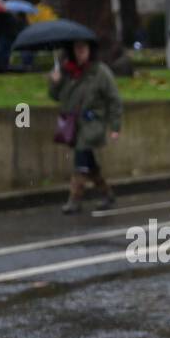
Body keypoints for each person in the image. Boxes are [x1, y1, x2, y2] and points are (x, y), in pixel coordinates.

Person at [49, 38, 122, 215]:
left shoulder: (100, 72)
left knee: (81, 158)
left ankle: (75, 198)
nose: (80, 52)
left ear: (90, 50)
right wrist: (55, 81)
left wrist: (115, 126)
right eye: (77, 49)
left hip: (92, 124)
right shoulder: (67, 72)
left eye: (83, 48)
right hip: (73, 125)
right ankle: (106, 193)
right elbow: (55, 96)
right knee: (89, 162)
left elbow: (114, 99)